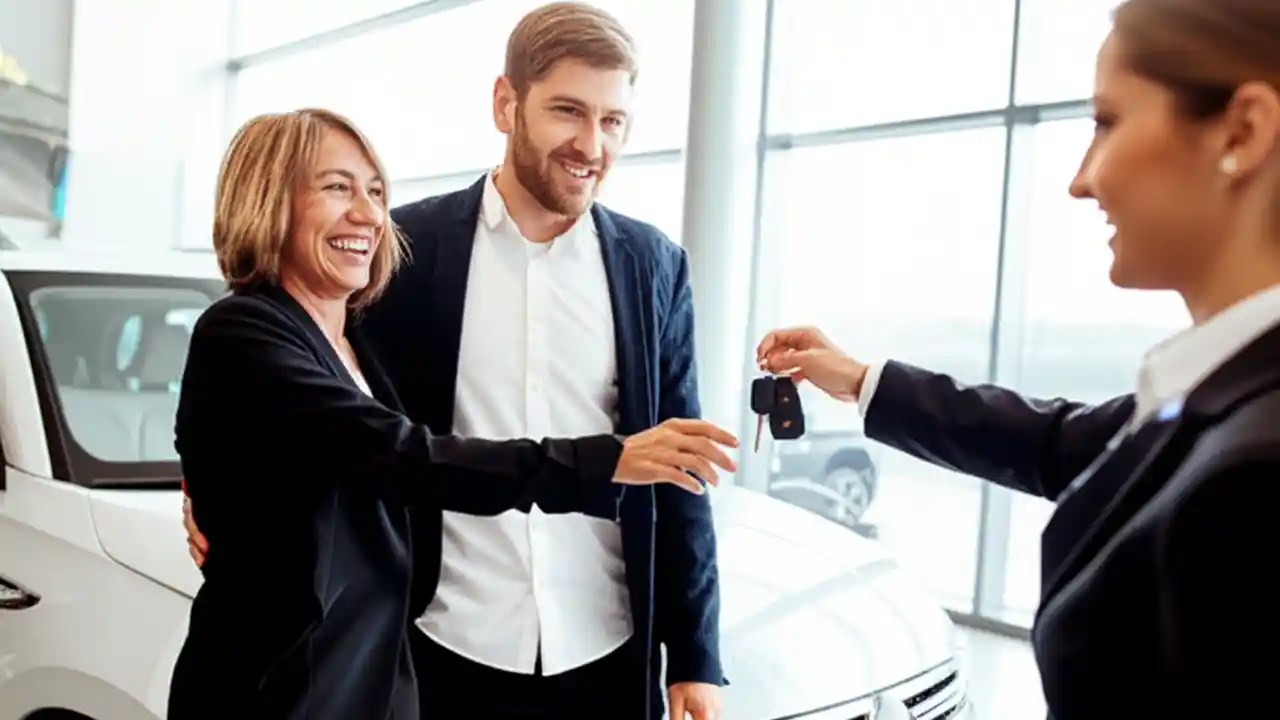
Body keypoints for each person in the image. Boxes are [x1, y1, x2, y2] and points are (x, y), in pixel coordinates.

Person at [183, 4, 728, 719]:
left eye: (613, 120)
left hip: (604, 647)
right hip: (441, 644)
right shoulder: (397, 252)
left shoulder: (654, 266)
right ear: (507, 104)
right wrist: (210, 476)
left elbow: (679, 465)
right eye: (568, 110)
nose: (591, 143)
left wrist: (695, 656)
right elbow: (321, 404)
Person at [758, 0, 1280, 718]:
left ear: (1243, 131)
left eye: (1106, 122)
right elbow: (1060, 440)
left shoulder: (1257, 470)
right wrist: (858, 380)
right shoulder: (1226, 399)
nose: (1081, 179)